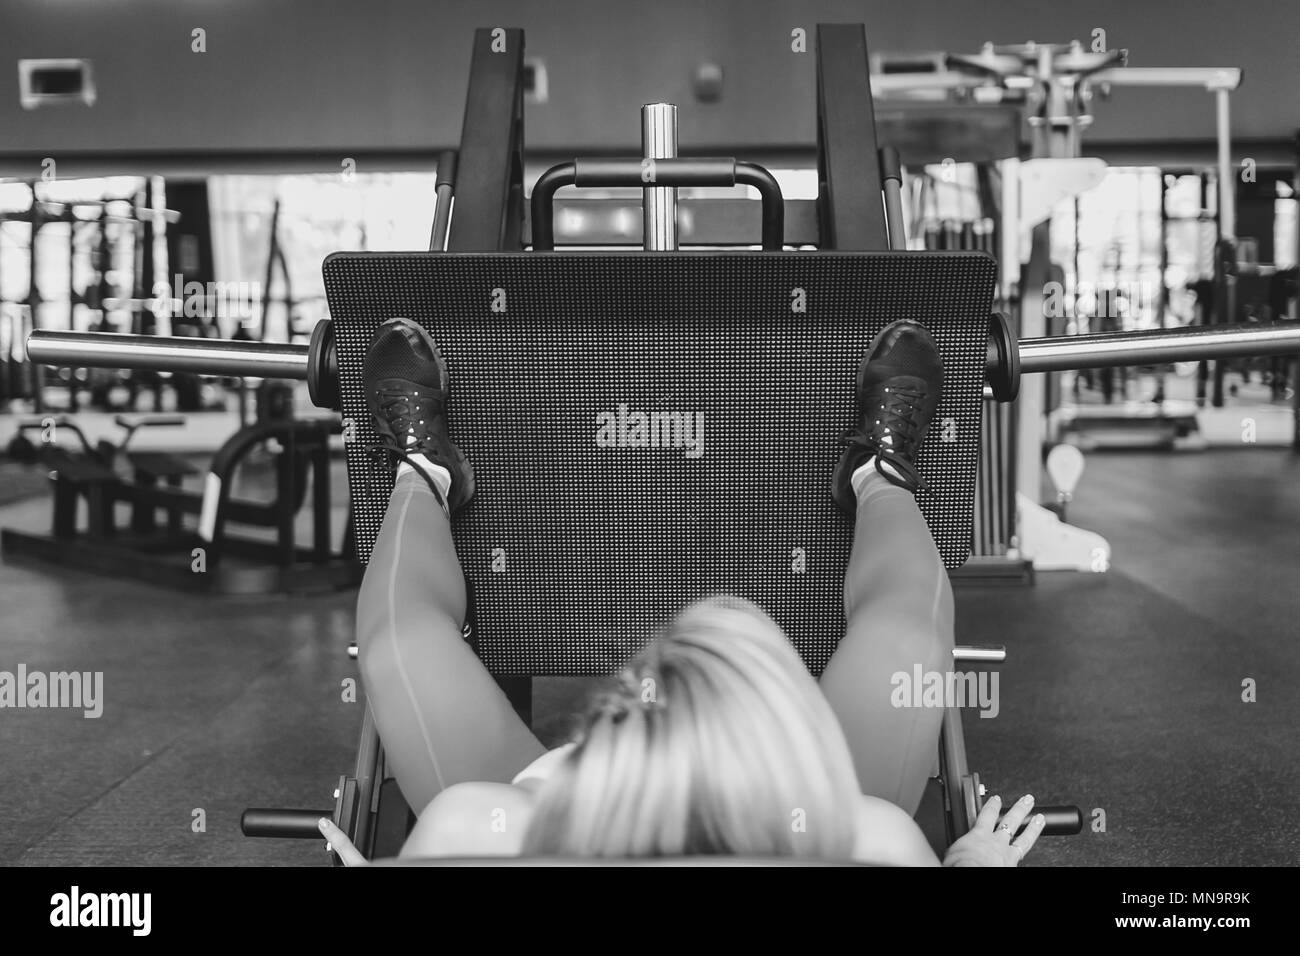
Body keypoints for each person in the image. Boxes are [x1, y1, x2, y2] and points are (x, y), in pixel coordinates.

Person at [322, 316, 1046, 865]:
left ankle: (424, 475)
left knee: (400, 643)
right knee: (908, 644)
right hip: (790, 821)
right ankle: (877, 477)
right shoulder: (868, 838)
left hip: (566, 823)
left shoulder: (473, 827)